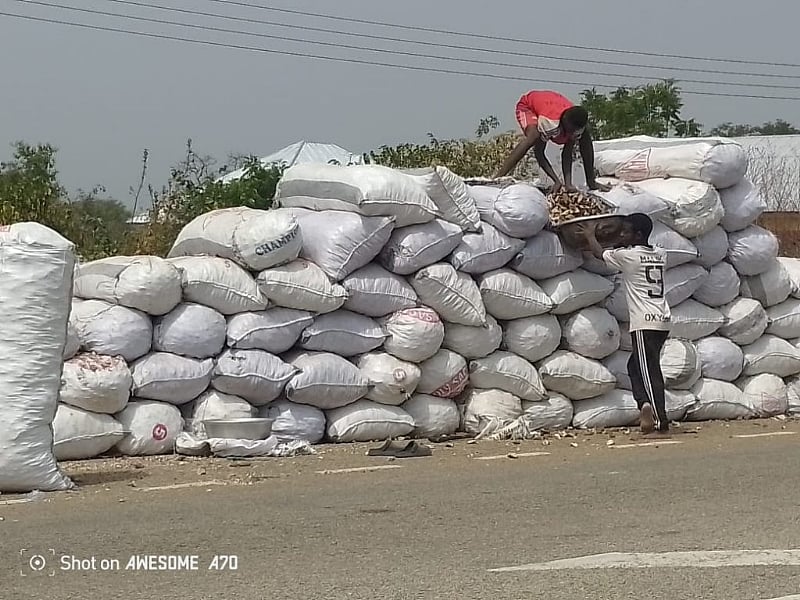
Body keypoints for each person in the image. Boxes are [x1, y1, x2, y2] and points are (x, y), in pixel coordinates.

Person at [577, 213, 671, 435]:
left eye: (625, 232)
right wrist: (623, 239)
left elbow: (600, 253)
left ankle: (661, 419)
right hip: (663, 321)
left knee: (649, 372)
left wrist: (591, 235)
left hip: (644, 322)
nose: (621, 235)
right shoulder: (661, 253)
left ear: (637, 235)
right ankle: (644, 404)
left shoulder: (628, 257)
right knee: (635, 366)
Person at [494, 90, 610, 193]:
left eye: (574, 132)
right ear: (564, 124)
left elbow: (567, 153)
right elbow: (539, 153)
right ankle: (497, 178)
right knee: (533, 136)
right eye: (570, 131)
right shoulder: (550, 125)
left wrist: (568, 184)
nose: (571, 135)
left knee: (586, 138)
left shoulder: (578, 128)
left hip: (553, 103)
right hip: (528, 106)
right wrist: (556, 180)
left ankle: (591, 182)